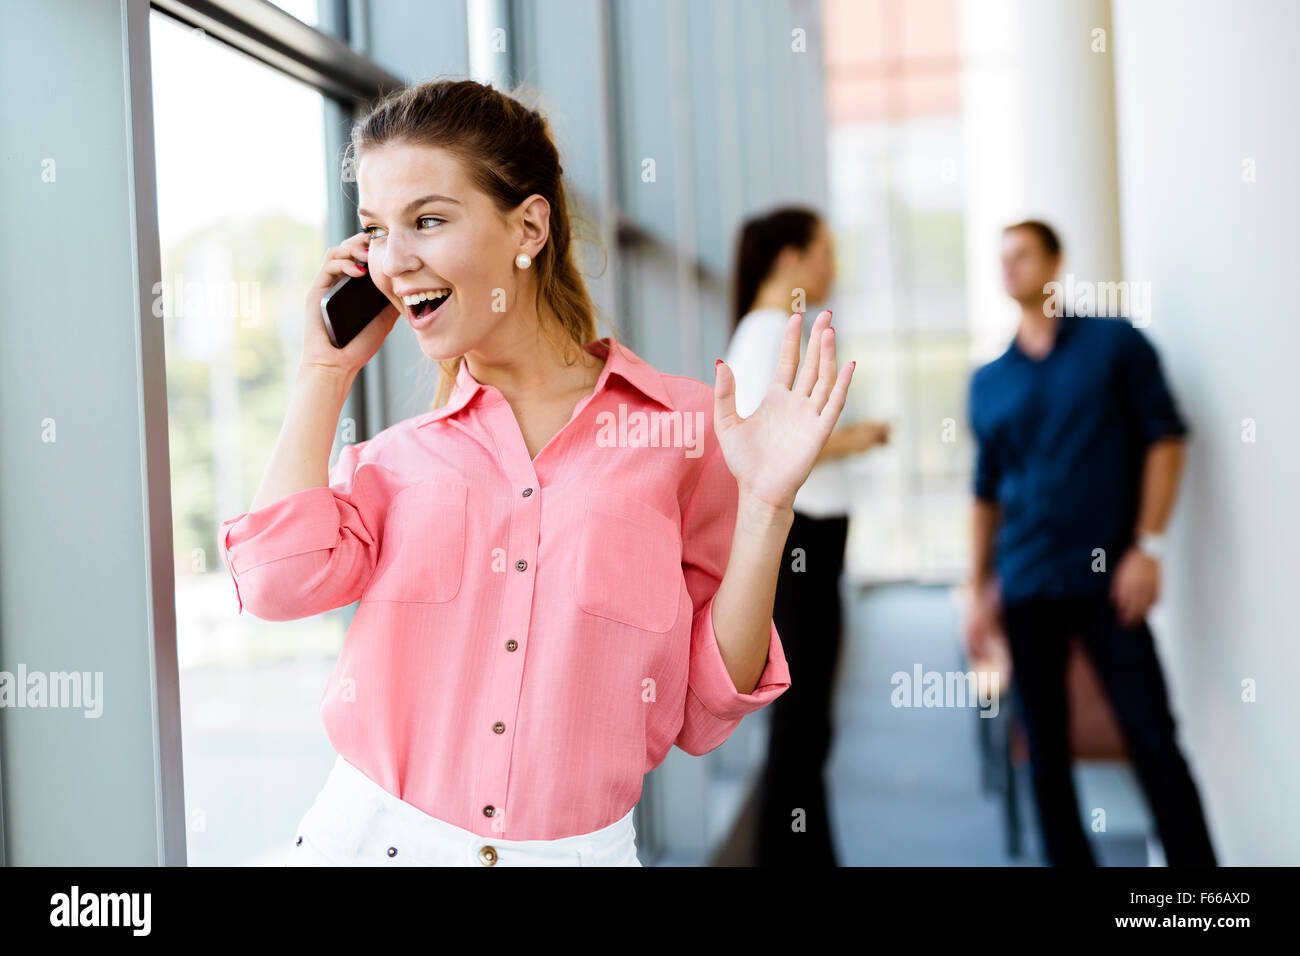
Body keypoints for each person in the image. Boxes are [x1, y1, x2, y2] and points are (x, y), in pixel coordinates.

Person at [218, 79, 857, 867]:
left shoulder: (682, 432)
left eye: (428, 220)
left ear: (528, 225)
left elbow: (705, 706)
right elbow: (276, 585)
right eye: (375, 231)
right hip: (362, 840)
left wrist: (765, 507)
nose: (395, 260)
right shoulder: (394, 460)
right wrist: (322, 369)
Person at [963, 219, 1217, 866]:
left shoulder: (1115, 346)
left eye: (1022, 255)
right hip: (1026, 582)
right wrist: (974, 587)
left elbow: (1167, 438)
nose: (1010, 268)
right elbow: (985, 492)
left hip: (1111, 581)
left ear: (1055, 263)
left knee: (1151, 736)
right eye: (1003, 259)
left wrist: (1148, 547)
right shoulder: (989, 381)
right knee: (1045, 752)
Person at [724, 207, 890, 866]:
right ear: (790, 259)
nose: (833, 267)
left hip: (807, 549)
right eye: (824, 251)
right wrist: (856, 438)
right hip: (801, 551)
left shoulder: (763, 332)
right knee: (801, 729)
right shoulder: (772, 333)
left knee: (806, 729)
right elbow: (776, 443)